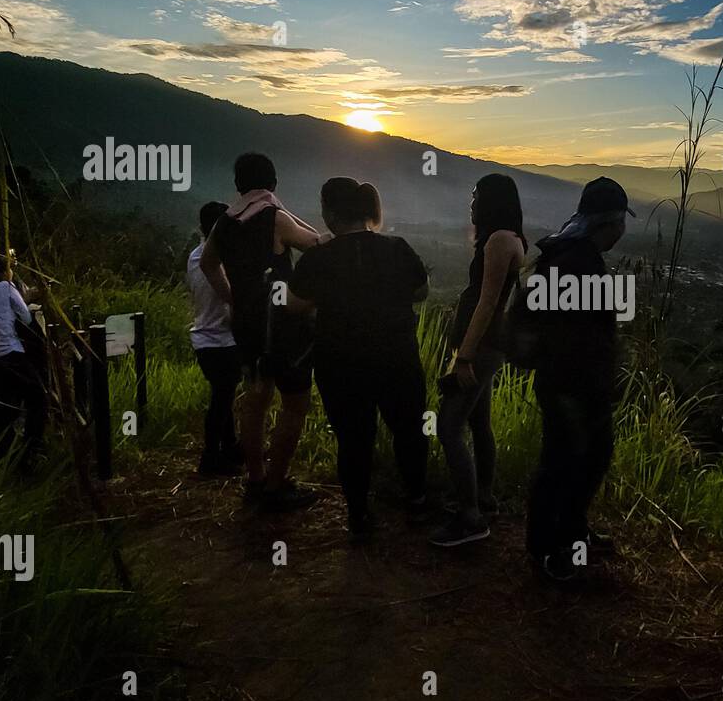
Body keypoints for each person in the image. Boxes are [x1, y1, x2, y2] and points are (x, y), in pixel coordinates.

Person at [286, 179, 430, 543]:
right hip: (397, 355)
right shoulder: (396, 248)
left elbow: (296, 303)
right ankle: (418, 498)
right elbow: (421, 291)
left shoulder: (319, 258)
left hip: (340, 361)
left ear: (331, 214)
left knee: (353, 438)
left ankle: (358, 514)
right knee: (409, 430)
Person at [524, 176, 634, 581]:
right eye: (622, 222)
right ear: (612, 222)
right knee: (570, 465)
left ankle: (568, 536)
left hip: (563, 381)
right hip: (573, 385)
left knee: (577, 460)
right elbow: (580, 335)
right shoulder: (578, 262)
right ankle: (556, 553)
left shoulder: (564, 252)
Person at [200, 153, 321, 512]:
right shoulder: (275, 218)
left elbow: (208, 264)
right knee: (295, 402)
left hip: (247, 324)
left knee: (255, 399)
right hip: (282, 325)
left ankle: (255, 478)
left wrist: (233, 296)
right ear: (273, 183)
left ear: (238, 184)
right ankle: (276, 483)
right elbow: (316, 244)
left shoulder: (225, 222)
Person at [429, 174, 528, 549]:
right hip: (487, 346)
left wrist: (464, 356)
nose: (471, 203)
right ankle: (483, 498)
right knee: (479, 422)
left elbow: (487, 302)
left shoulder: (500, 240)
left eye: (476, 196)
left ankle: (469, 517)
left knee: (448, 427)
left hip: (481, 348)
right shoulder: (506, 237)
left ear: (491, 199)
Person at [188, 201, 243, 476]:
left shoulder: (196, 255)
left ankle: (229, 448)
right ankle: (210, 458)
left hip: (205, 339)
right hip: (218, 339)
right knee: (221, 401)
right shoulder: (216, 261)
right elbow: (232, 300)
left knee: (224, 396)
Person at [0, 252, 47, 467]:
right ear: (3, 269)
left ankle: (4, 455)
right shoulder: (6, 286)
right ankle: (32, 446)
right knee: (38, 397)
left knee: (2, 405)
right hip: (10, 354)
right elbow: (25, 316)